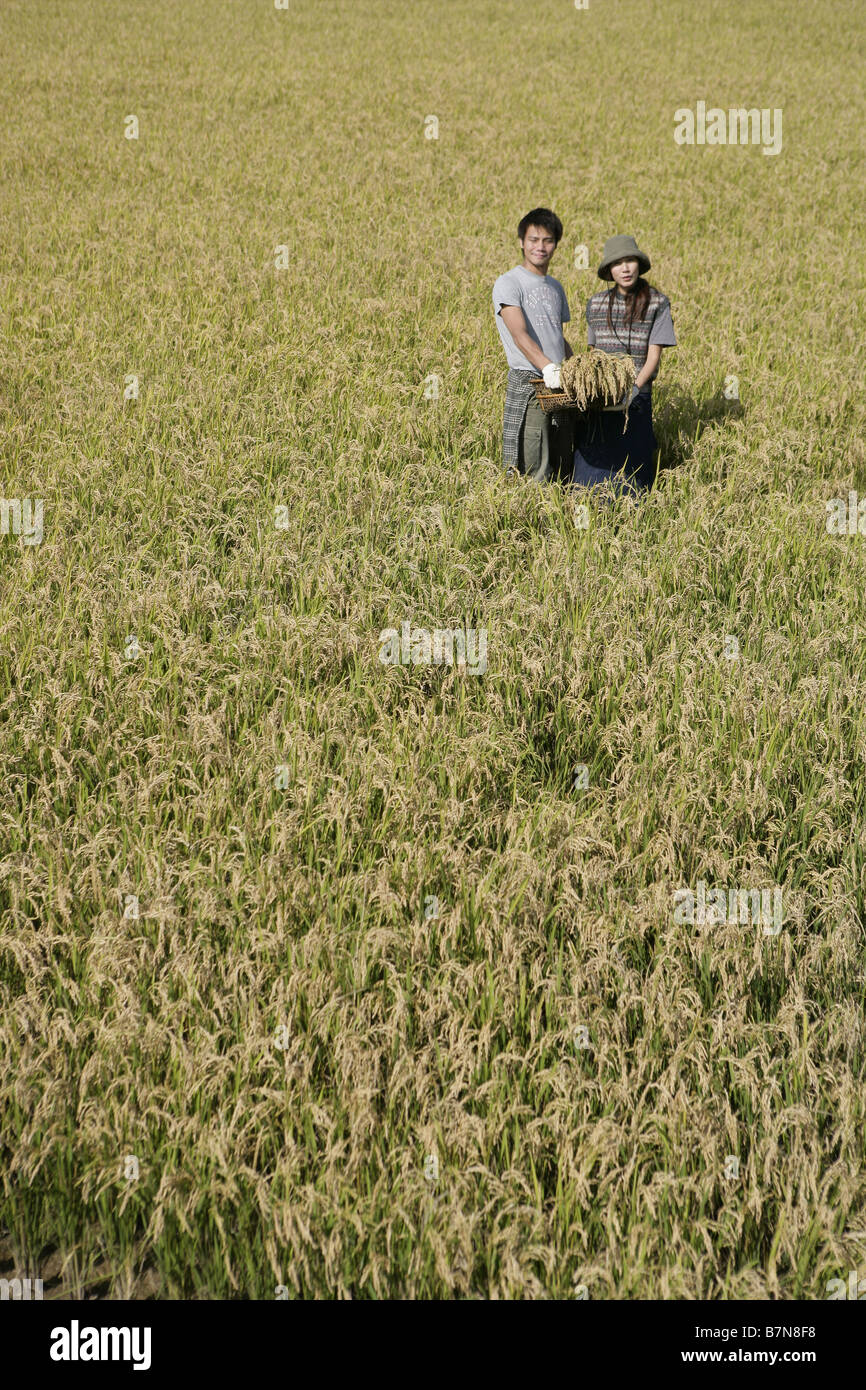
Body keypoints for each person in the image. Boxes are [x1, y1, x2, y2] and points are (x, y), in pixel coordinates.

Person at [571, 235, 677, 495]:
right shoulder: (596, 304)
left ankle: (632, 522)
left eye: (630, 261)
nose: (626, 268)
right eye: (618, 263)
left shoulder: (657, 303)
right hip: (601, 401)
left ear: (639, 264)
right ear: (609, 270)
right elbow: (593, 354)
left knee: (633, 470)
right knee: (593, 471)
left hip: (637, 399)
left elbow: (653, 357)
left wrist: (634, 389)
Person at [493, 208, 575, 483]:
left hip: (558, 383)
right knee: (533, 459)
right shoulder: (509, 282)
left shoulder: (555, 286)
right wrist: (547, 367)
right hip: (531, 381)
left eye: (548, 240)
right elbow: (520, 335)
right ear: (521, 242)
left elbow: (557, 336)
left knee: (563, 457)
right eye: (534, 239)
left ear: (556, 244)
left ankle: (558, 512)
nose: (540, 247)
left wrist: (575, 369)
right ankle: (532, 516)